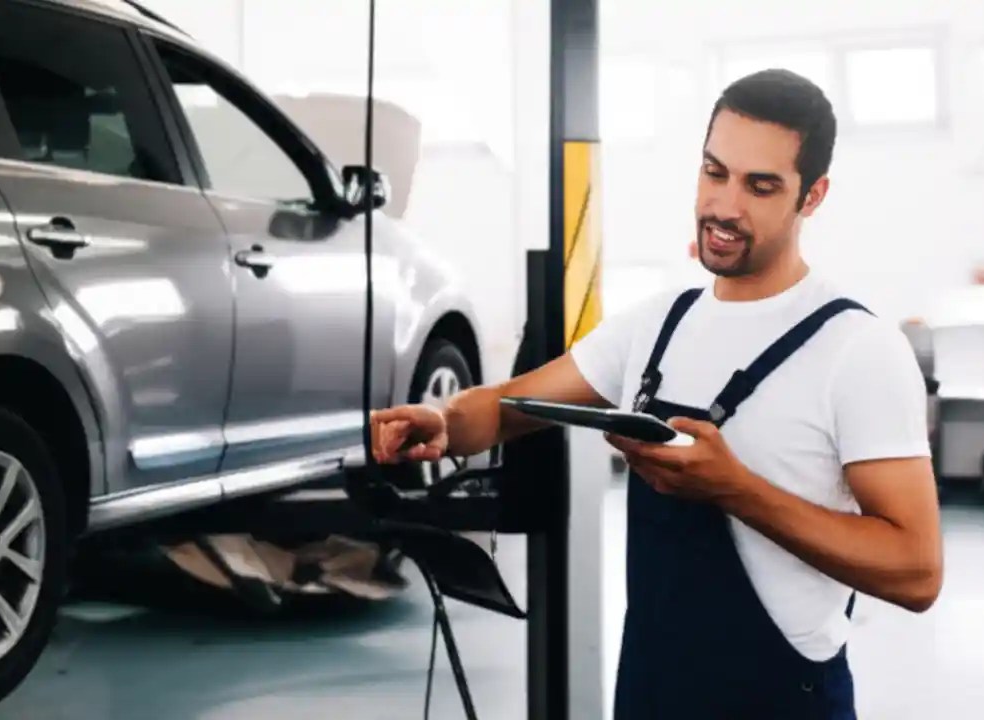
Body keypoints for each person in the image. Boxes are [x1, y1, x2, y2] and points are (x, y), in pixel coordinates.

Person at [371, 68, 942, 719]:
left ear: (812, 197)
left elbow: (917, 571)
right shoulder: (659, 325)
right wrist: (441, 419)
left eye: (761, 186)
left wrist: (733, 487)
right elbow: (509, 405)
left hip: (782, 701)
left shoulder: (857, 349)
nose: (725, 206)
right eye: (714, 172)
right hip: (652, 689)